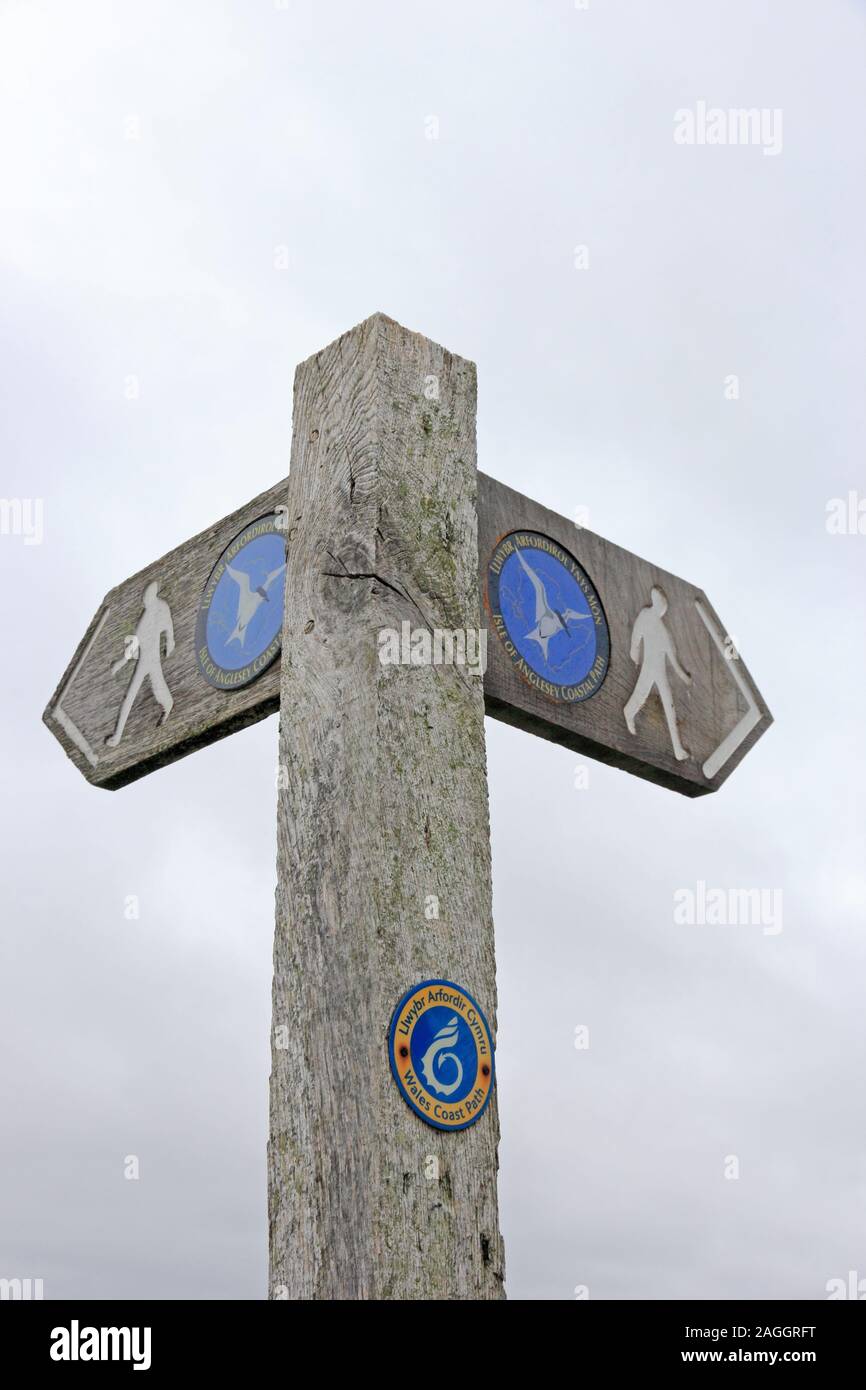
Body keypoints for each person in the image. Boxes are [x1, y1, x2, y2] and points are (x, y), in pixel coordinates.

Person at [624, 586, 691, 761]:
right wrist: (635, 652)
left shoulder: (663, 631)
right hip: (648, 668)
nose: (662, 610)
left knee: (669, 704)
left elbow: (673, 659)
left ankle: (677, 748)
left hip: (659, 671)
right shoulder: (646, 616)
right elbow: (636, 638)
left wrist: (684, 677)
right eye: (662, 606)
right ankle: (628, 713)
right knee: (641, 695)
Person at [106, 581, 175, 748]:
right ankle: (117, 735)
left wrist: (170, 641)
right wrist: (120, 663)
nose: (145, 602)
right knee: (130, 695)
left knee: (158, 689)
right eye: (145, 600)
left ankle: (169, 705)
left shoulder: (162, 607)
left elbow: (169, 626)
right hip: (144, 661)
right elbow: (135, 642)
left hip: (153, 661)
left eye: (147, 598)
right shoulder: (146, 616)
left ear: (153, 596)